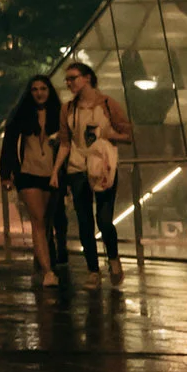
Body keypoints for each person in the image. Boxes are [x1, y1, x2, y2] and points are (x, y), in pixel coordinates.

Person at [59, 60, 133, 285]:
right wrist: (56, 172)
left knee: (103, 218)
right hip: (77, 166)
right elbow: (64, 142)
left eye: (74, 78)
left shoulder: (108, 104)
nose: (69, 82)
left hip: (102, 166)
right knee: (84, 220)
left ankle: (113, 258)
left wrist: (108, 136)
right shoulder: (68, 109)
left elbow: (127, 134)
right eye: (67, 79)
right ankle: (93, 270)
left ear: (87, 78)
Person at [0, 74, 65, 287]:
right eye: (34, 89)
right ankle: (48, 271)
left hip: (52, 174)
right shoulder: (21, 115)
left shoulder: (60, 114)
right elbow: (9, 144)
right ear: (30, 92)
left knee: (46, 221)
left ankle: (42, 260)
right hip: (28, 173)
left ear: (49, 91)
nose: (39, 93)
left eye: (43, 89)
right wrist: (5, 174)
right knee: (38, 220)